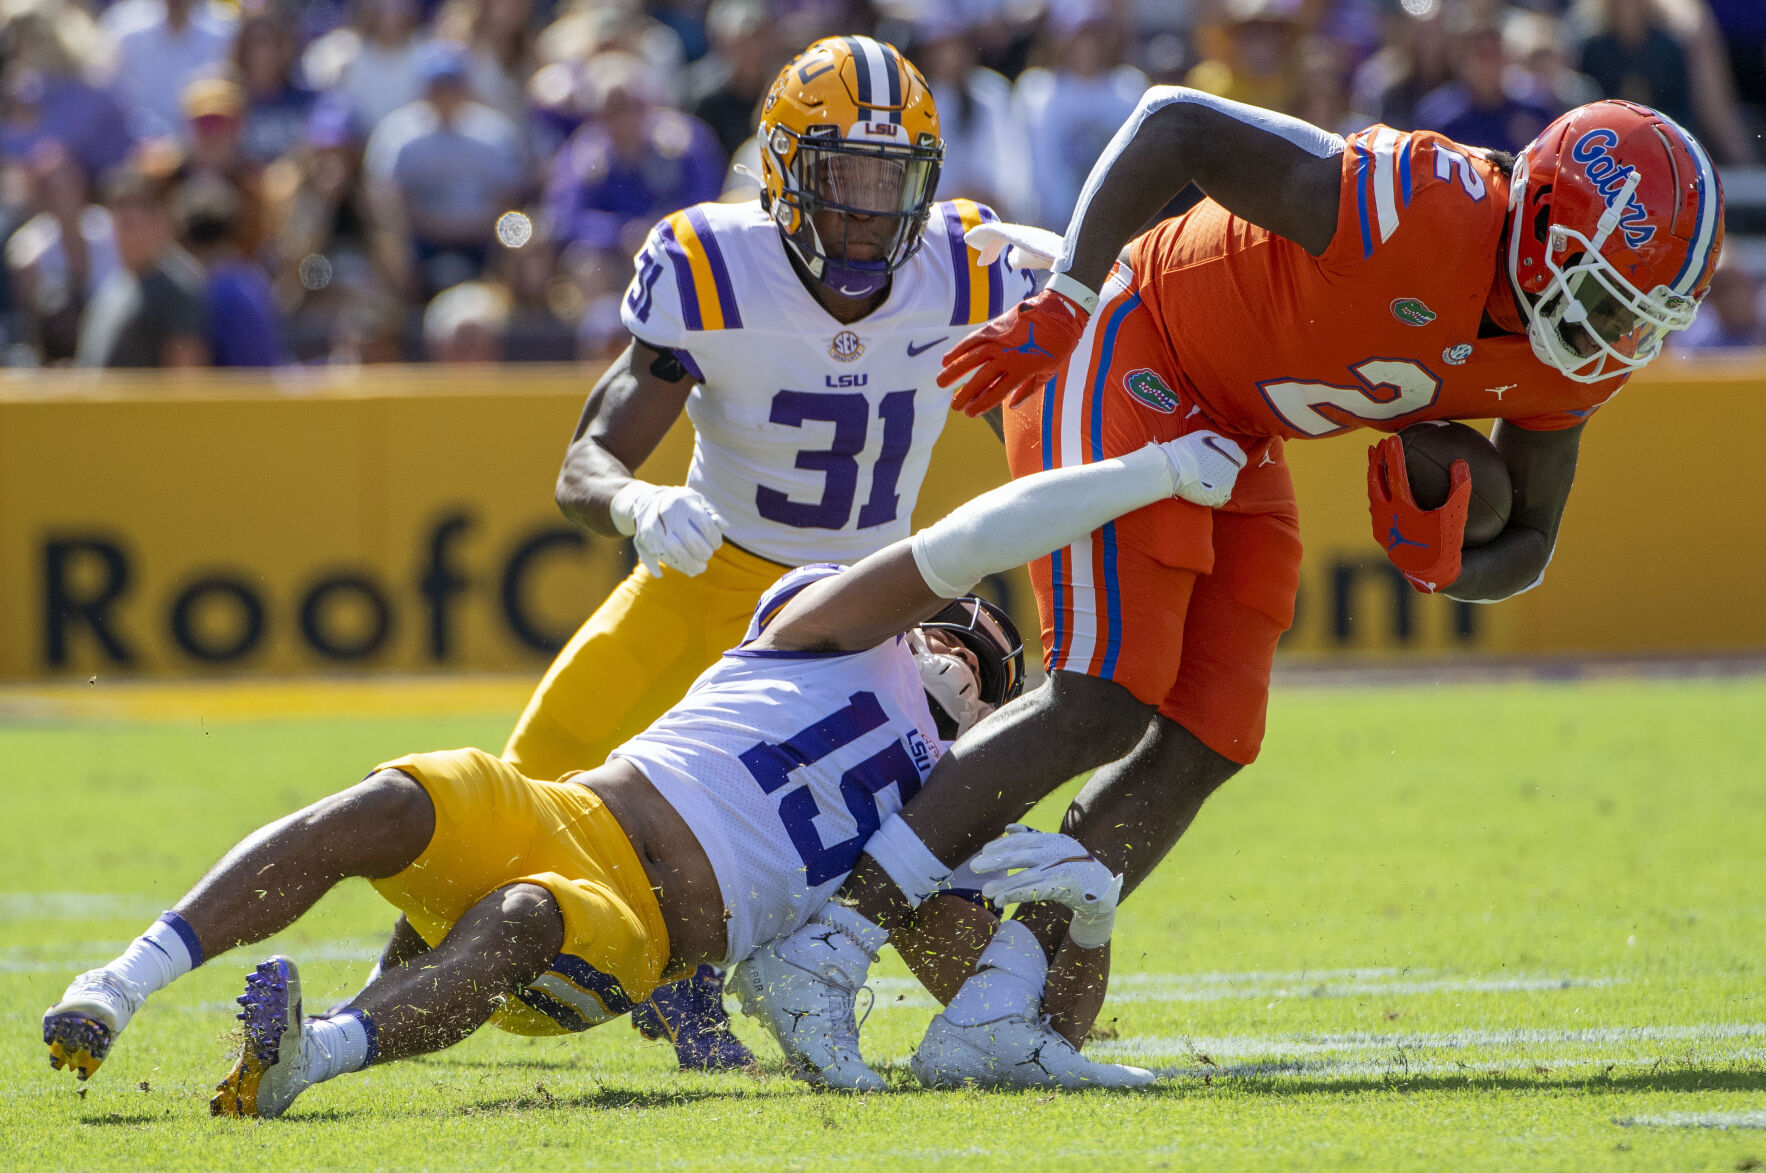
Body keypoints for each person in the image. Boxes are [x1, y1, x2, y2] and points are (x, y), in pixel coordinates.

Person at [738, 92, 1724, 1089]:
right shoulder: (1419, 203)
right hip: (1132, 339)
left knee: (1212, 728)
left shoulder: (1574, 363)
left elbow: (1528, 542)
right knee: (1101, 695)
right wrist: (1068, 294)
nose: (1607, 338)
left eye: (1634, 320)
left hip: (1237, 428)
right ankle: (822, 947)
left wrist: (1444, 565)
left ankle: (1001, 1000)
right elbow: (1176, 124)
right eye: (1600, 300)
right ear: (1544, 221)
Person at [40, 423, 1250, 1113]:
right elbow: (973, 541)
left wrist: (1084, 915)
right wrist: (1144, 476)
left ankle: (315, 1056)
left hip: (635, 924)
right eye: (957, 633)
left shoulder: (939, 811)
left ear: (997, 715)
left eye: (993, 668)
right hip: (563, 808)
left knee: (524, 916)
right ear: (914, 626)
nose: (967, 658)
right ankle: (120, 981)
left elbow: (1020, 1019)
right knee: (403, 792)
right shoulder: (822, 627)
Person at [479, 33, 1034, 1070]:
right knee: (515, 797)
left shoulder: (966, 266)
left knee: (922, 869)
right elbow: (583, 465)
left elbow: (1058, 379)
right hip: (707, 576)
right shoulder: (710, 262)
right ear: (781, 168)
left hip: (860, 614)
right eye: (842, 177)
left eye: (890, 179)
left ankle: (726, 974)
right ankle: (374, 1013)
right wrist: (637, 505)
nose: (868, 209)